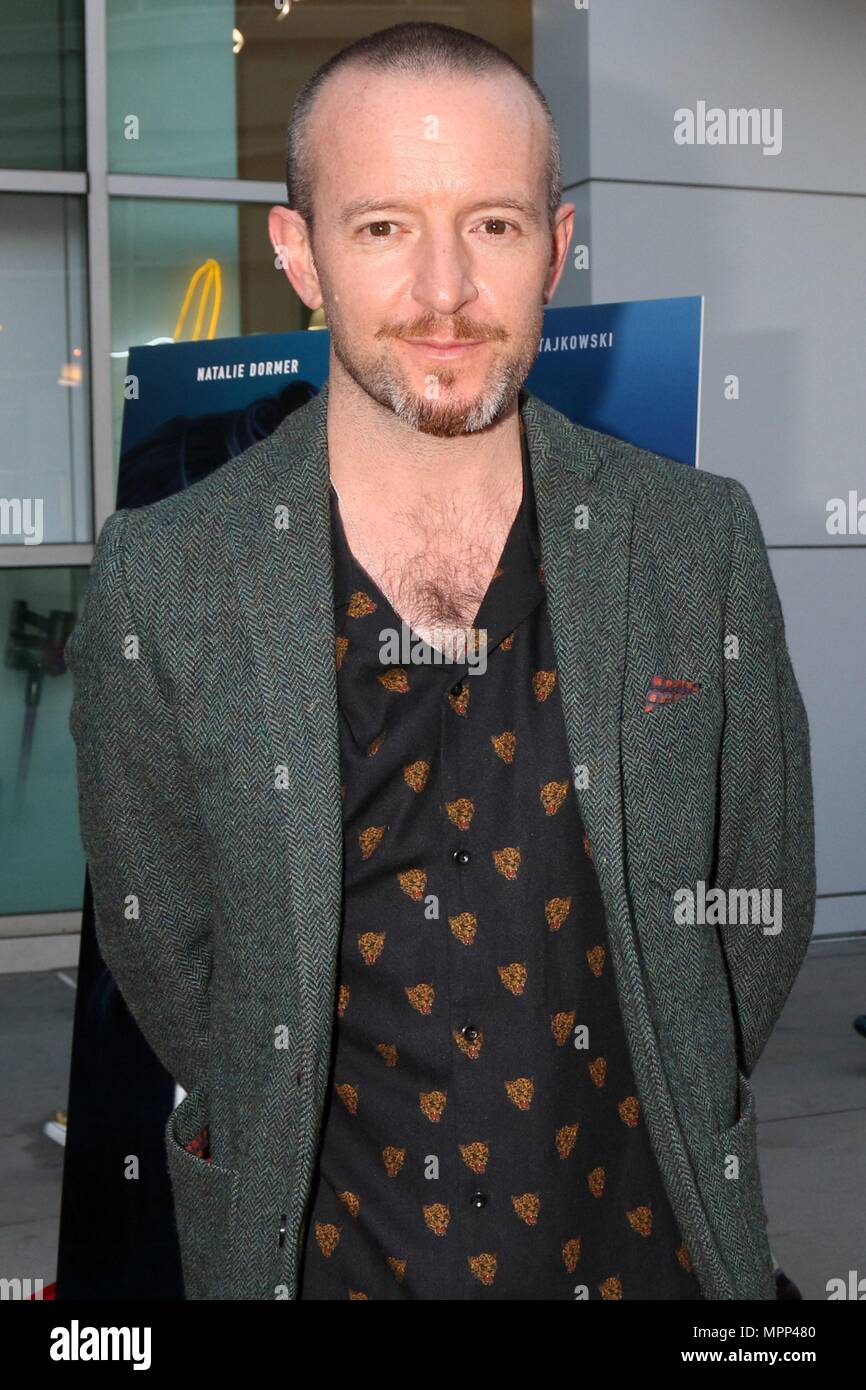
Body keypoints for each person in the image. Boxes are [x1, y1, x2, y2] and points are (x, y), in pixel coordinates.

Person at [64, 20, 816, 1301]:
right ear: (298, 253)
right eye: (380, 228)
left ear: (555, 250)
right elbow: (175, 956)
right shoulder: (167, 574)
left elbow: (757, 900)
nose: (444, 292)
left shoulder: (695, 543)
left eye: (493, 225)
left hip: (648, 1256)